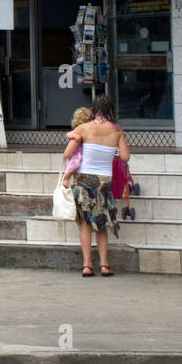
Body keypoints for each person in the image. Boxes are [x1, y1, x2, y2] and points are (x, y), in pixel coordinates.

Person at [62, 95, 130, 277]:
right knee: (101, 224)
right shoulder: (117, 131)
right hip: (103, 182)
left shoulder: (84, 128)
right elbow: (124, 157)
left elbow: (67, 153)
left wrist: (75, 137)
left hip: (83, 180)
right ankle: (105, 266)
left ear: (95, 109)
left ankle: (87, 266)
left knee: (85, 224)